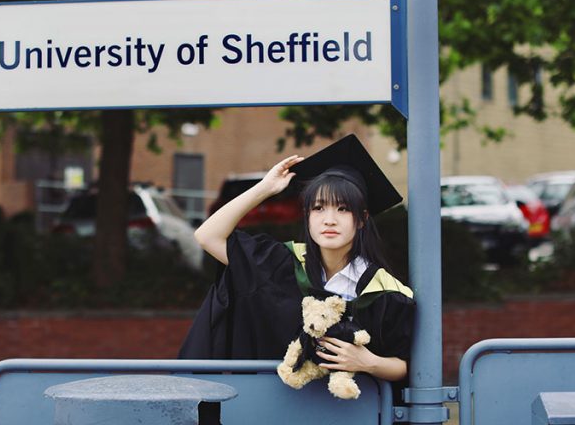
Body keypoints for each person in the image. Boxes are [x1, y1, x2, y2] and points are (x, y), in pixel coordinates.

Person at [178, 134, 415, 386]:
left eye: (343, 209)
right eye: (318, 208)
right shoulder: (279, 264)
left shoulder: (385, 290)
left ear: (362, 219)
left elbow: (403, 365)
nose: (329, 220)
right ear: (307, 216)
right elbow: (207, 236)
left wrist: (367, 362)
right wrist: (265, 188)